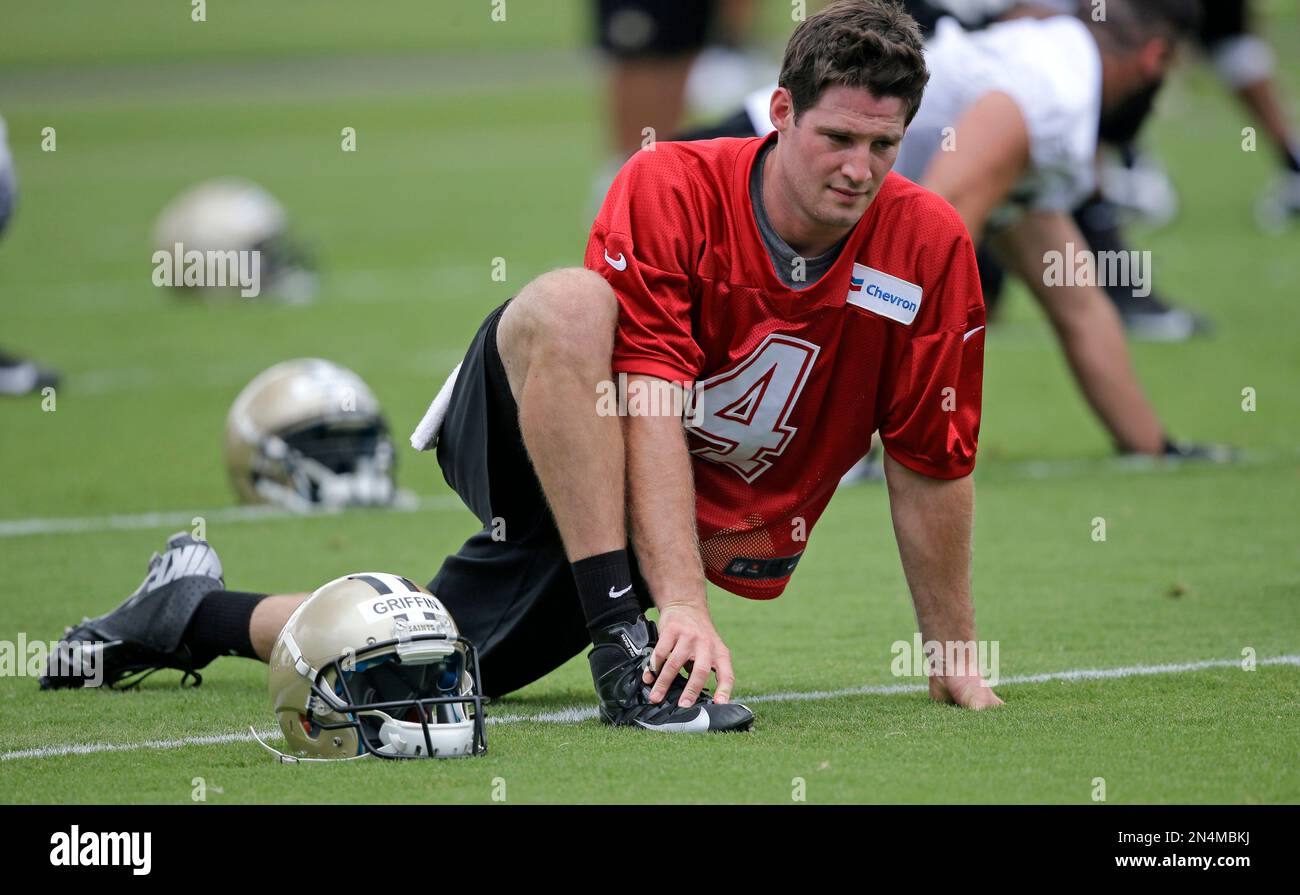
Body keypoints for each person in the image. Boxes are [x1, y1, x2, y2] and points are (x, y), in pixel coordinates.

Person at [42, 0, 1004, 729]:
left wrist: (953, 648)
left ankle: (185, 610)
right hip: (557, 419)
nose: (858, 169)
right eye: (836, 138)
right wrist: (672, 609)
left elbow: (929, 461)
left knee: (421, 664)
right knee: (571, 301)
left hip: (660, 501)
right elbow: (650, 397)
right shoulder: (672, 181)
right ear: (781, 112)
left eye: (884, 145)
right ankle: (626, 652)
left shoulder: (928, 246)